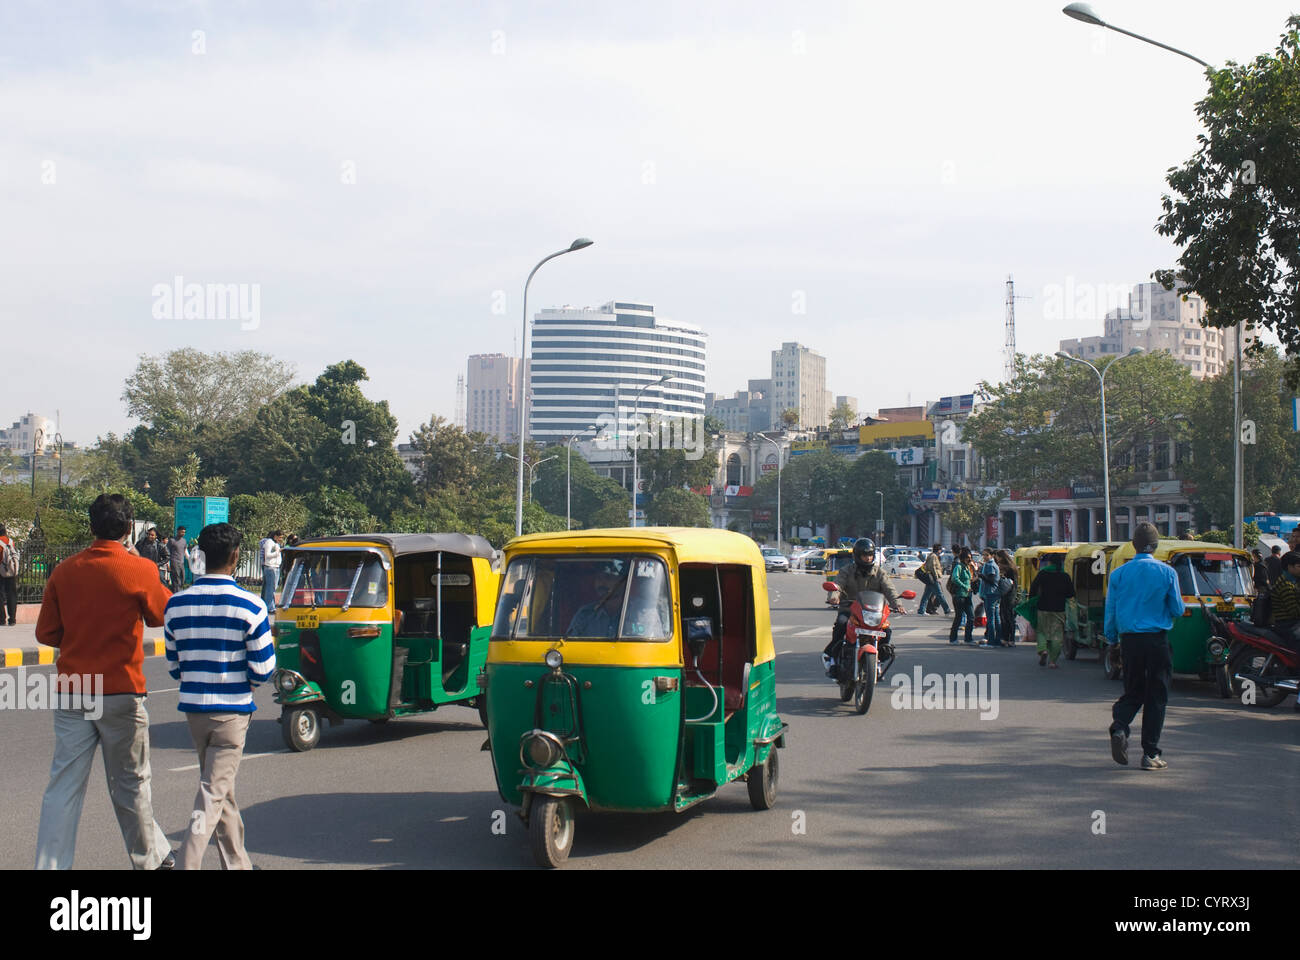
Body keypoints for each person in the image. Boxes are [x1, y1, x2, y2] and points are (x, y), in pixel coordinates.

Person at [34, 494, 175, 869]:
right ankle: (150, 861)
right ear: (129, 529)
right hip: (120, 691)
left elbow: (46, 634)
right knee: (130, 784)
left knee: (62, 787)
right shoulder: (139, 569)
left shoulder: (64, 570)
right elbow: (163, 615)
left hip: (74, 691)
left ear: (91, 525)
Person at [164, 523, 274, 870]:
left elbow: (174, 665)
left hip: (195, 712)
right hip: (232, 714)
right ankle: (188, 863)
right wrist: (248, 684)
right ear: (236, 557)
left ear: (200, 556)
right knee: (212, 794)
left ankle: (239, 864)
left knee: (218, 790)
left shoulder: (176, 605)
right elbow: (265, 667)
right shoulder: (250, 606)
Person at [1104, 522, 1184, 771]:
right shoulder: (1168, 572)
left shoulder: (1119, 574)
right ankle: (1150, 754)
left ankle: (1119, 726)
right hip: (1157, 641)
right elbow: (1178, 609)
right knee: (1157, 696)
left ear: (1134, 545)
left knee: (1134, 691)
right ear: (1156, 545)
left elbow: (1111, 611)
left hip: (1130, 641)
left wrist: (1111, 639)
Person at [822, 538, 902, 677]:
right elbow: (838, 585)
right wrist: (834, 596)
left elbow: (890, 590)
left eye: (870, 555)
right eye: (865, 555)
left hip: (873, 613)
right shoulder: (847, 571)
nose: (868, 558)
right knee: (841, 625)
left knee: (887, 631)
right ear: (857, 556)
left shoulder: (880, 573)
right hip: (850, 610)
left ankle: (878, 660)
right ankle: (832, 658)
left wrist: (898, 604)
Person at [1030, 554, 1075, 668]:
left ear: (1049, 562)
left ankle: (1043, 650)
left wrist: (1032, 601)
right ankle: (1052, 661)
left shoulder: (1042, 574)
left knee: (1042, 631)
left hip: (1043, 607)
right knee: (1057, 635)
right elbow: (1071, 593)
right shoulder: (1065, 576)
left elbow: (1033, 588)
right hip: (1059, 609)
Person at [566, 564, 625, 638]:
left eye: (608, 578)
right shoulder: (585, 614)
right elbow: (570, 643)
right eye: (599, 578)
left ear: (622, 583)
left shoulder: (638, 613)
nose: (601, 584)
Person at [948, 547, 976, 644]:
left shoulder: (968, 567)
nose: (969, 559)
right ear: (963, 558)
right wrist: (964, 586)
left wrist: (974, 569)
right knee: (958, 617)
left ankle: (968, 638)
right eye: (968, 558)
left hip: (968, 595)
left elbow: (972, 578)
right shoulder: (959, 567)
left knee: (971, 616)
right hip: (959, 595)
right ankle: (953, 638)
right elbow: (954, 578)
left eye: (970, 557)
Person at [976, 548, 1003, 647]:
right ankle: (997, 640)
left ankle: (991, 641)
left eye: (986, 555)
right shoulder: (993, 564)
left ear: (991, 555)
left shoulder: (990, 565)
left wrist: (981, 576)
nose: (984, 557)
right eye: (983, 555)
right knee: (996, 618)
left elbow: (991, 580)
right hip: (994, 594)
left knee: (991, 619)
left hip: (990, 593)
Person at [916, 544, 951, 618]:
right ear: (939, 550)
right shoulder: (933, 556)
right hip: (932, 578)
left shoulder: (932, 555)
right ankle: (947, 610)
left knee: (926, 595)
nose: (941, 551)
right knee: (939, 594)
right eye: (940, 550)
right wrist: (936, 577)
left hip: (930, 578)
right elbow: (933, 567)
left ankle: (921, 610)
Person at [996, 550, 1018, 645]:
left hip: (1008, 594)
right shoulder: (1012, 567)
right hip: (1010, 594)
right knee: (1007, 617)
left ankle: (1008, 639)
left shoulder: (1008, 569)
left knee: (1007, 617)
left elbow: (1007, 582)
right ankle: (1008, 639)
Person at [259, 529, 284, 612]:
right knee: (270, 588)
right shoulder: (269, 542)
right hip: (270, 567)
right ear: (275, 536)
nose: (281, 539)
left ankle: (269, 605)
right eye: (280, 537)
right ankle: (270, 607)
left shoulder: (276, 543)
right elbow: (268, 555)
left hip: (276, 566)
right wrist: (278, 552)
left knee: (273, 588)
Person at [0, 523, 18, 626]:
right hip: (12, 570)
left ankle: (2, 619)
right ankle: (12, 619)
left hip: (1, 572)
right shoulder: (11, 541)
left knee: (0, 595)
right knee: (12, 595)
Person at [166, 526, 187, 590]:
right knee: (176, 580)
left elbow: (185, 551)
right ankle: (176, 593)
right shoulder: (172, 540)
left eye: (184, 532)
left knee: (182, 579)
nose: (183, 533)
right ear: (178, 531)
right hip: (174, 562)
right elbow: (167, 552)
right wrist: (168, 564)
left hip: (181, 563)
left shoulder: (184, 541)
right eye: (182, 532)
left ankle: (180, 592)